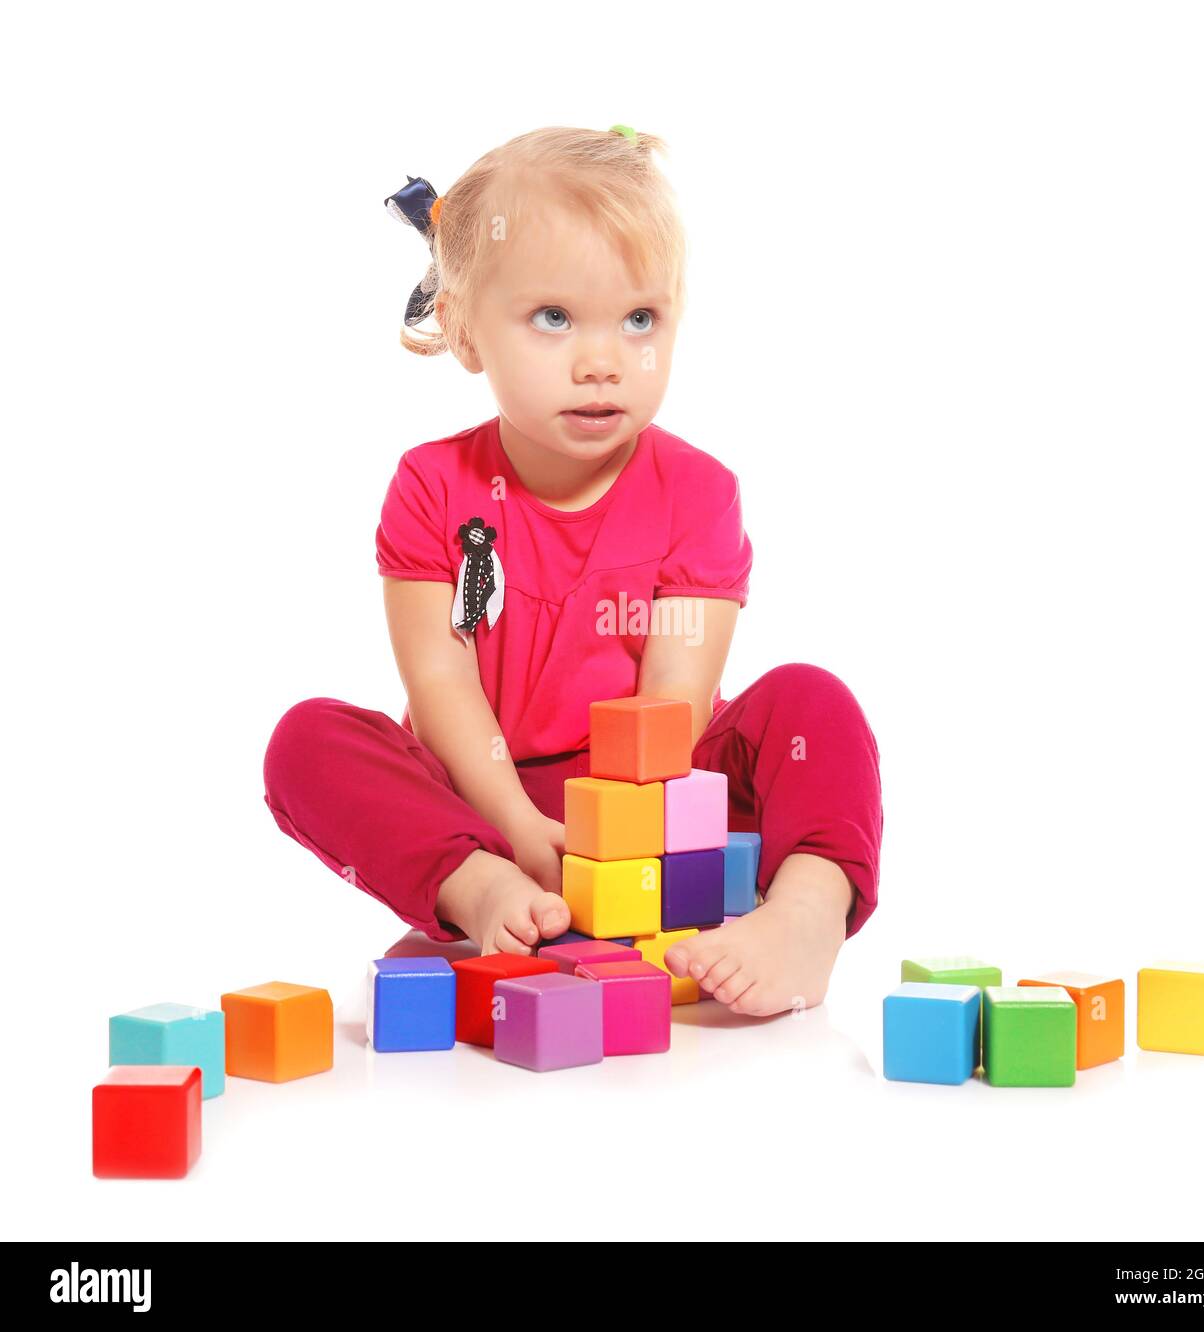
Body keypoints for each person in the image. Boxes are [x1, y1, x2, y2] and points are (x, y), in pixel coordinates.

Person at [263, 125, 883, 1016]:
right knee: (306, 740)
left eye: (640, 319)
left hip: (650, 808)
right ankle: (475, 890)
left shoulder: (700, 492)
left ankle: (805, 916)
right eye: (553, 318)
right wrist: (514, 828)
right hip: (478, 794)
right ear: (466, 332)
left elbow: (677, 703)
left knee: (810, 704)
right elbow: (440, 682)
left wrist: (620, 853)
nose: (602, 361)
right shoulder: (434, 487)